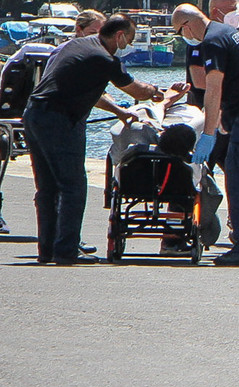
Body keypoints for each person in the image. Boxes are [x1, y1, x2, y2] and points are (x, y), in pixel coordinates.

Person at [22, 15, 158, 264]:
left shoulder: (77, 46)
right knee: (73, 186)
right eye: (129, 38)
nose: (129, 43)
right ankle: (66, 251)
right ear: (119, 35)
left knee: (48, 187)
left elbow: (88, 91)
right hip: (60, 120)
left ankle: (48, 249)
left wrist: (119, 111)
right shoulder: (105, 59)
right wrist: (155, 92)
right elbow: (136, 90)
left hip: (34, 114)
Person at [174, 2, 239, 266]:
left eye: (180, 31)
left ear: (188, 24)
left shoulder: (212, 41)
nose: (184, 37)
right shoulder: (222, 31)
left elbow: (213, 88)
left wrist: (208, 134)